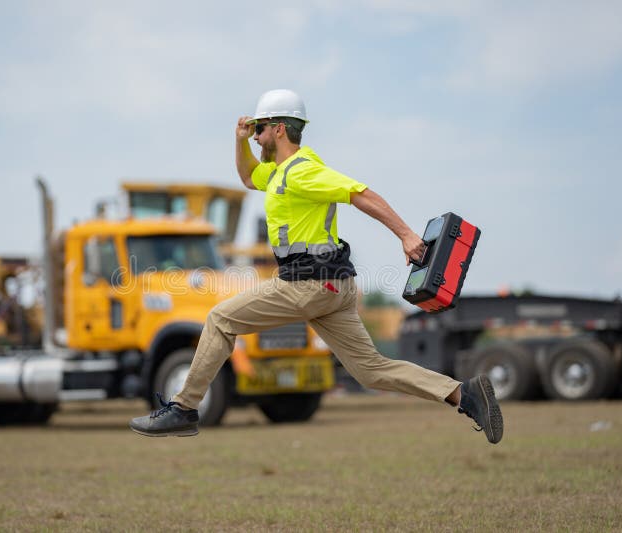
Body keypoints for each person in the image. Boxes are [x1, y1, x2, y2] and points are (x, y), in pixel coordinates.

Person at [130, 89, 503, 444]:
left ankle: (184, 408)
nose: (257, 136)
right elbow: (247, 177)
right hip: (331, 287)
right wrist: (240, 139)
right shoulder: (277, 174)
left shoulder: (301, 171)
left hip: (308, 283)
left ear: (279, 129)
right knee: (370, 369)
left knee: (219, 319)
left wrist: (406, 235)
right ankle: (463, 394)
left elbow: (362, 194)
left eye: (260, 129)